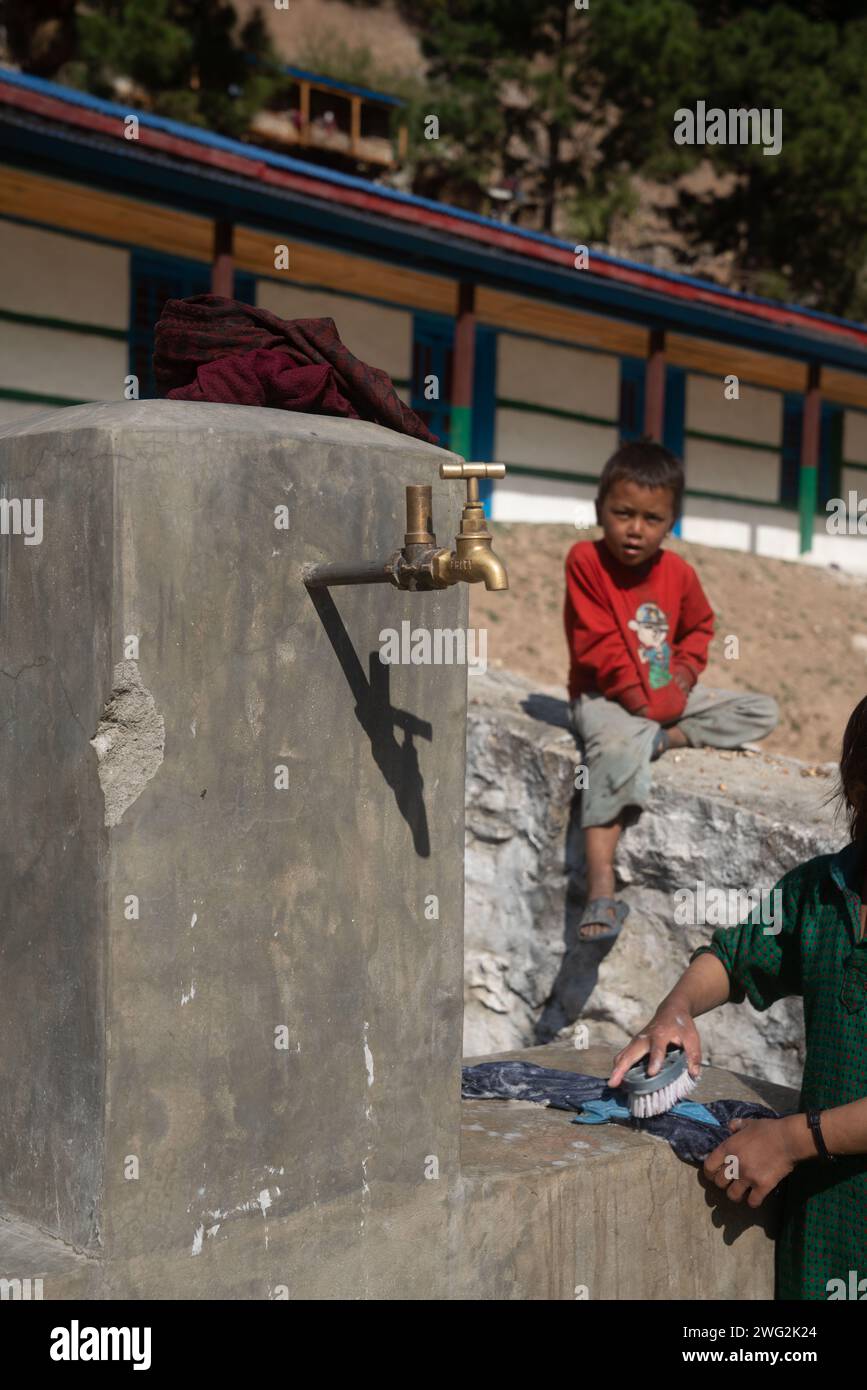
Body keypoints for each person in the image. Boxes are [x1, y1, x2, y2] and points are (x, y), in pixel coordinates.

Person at [607, 694, 867, 1301]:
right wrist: (675, 1011)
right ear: (857, 789)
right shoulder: (820, 891)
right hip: (824, 1232)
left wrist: (791, 1140)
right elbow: (732, 957)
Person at [564, 438, 778, 941]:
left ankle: (664, 740)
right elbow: (600, 647)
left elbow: (698, 630)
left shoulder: (679, 573)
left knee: (758, 711)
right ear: (600, 510)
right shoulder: (585, 562)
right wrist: (645, 704)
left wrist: (678, 681)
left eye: (652, 519)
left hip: (664, 695)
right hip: (605, 697)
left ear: (671, 522)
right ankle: (601, 889)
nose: (635, 529)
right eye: (622, 513)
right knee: (615, 747)